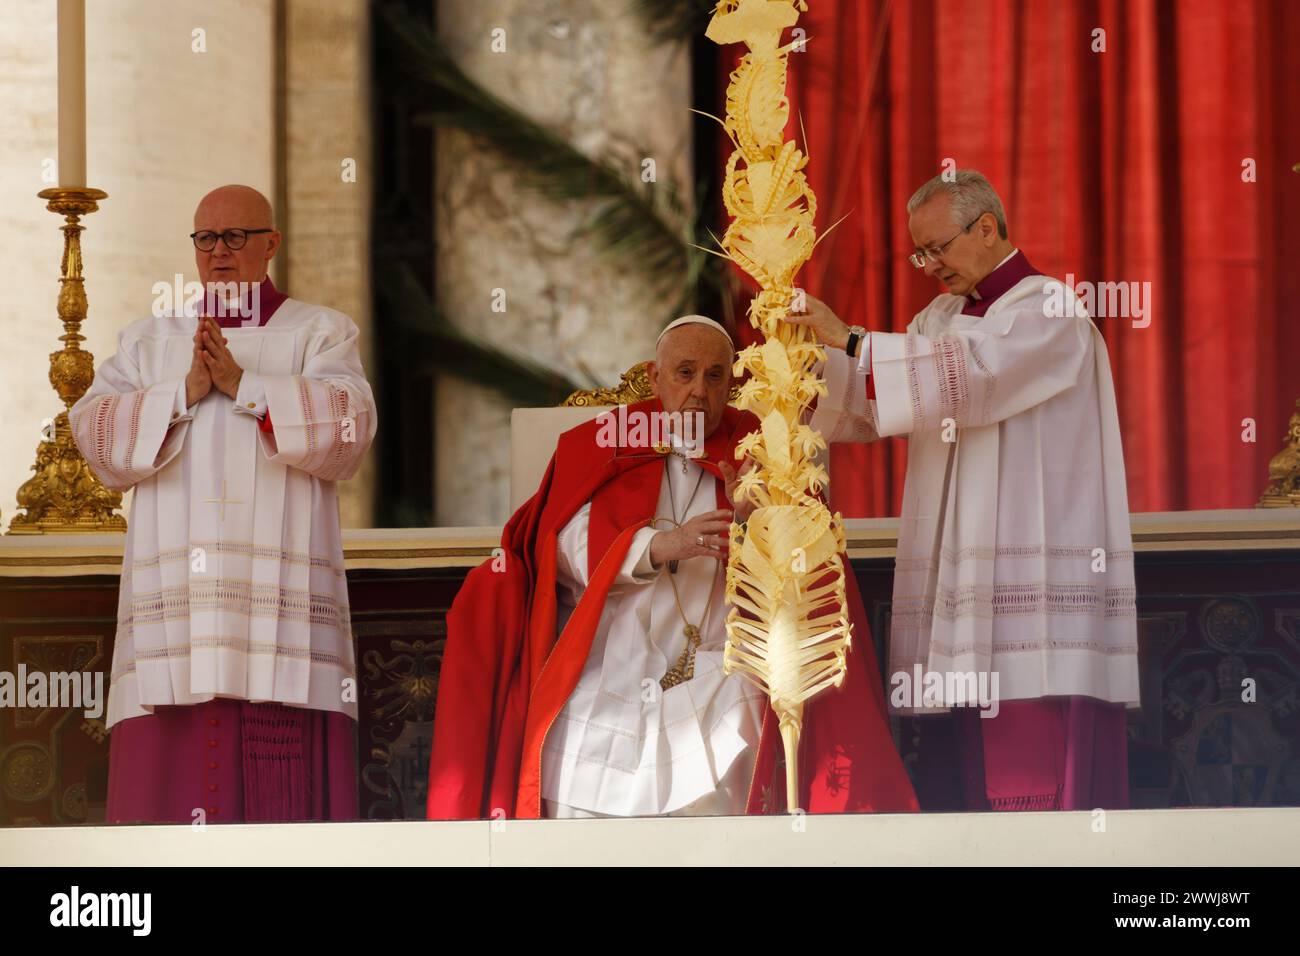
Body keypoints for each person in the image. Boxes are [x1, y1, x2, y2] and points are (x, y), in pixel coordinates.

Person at [427, 316, 917, 819]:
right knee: (576, 745)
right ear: (655, 377)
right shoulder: (601, 442)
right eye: (684, 373)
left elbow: (804, 575)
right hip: (612, 652)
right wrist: (657, 546)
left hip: (717, 657)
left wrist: (755, 521)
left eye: (714, 376)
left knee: (740, 726)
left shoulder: (765, 452)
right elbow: (557, 549)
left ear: (732, 384)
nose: (698, 391)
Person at [789, 170, 1139, 811]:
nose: (928, 266)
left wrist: (853, 339)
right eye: (918, 253)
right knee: (965, 761)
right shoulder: (940, 316)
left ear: (986, 228)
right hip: (963, 571)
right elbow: (883, 403)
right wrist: (799, 369)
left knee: (1029, 754)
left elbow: (971, 378)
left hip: (1029, 567)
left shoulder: (1050, 311)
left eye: (937, 248)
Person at [70, 184, 376, 823]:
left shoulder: (318, 332)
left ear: (270, 244)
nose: (220, 253)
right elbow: (93, 431)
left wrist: (247, 386)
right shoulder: (149, 341)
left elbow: (350, 429)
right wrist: (181, 393)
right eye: (206, 238)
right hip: (178, 609)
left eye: (236, 237)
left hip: (277, 608)